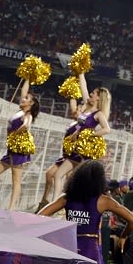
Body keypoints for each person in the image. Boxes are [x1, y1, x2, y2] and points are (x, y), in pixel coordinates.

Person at [39, 160, 133, 264]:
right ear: (100, 180)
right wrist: (124, 236)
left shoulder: (66, 198)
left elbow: (40, 215)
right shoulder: (104, 201)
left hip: (69, 247)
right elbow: (132, 220)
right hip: (90, 250)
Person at [37, 75, 113, 211]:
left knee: (83, 181)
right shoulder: (86, 107)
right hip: (75, 150)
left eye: (94, 93)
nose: (90, 94)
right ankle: (56, 206)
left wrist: (90, 134)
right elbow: (83, 87)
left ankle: (85, 206)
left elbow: (107, 129)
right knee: (58, 175)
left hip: (84, 152)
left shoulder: (98, 114)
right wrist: (81, 73)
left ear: (99, 98)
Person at [0, 78, 39, 210]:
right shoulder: (20, 111)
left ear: (31, 103)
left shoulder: (28, 115)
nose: (23, 99)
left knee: (15, 179)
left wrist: (20, 130)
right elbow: (23, 90)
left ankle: (11, 208)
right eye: (24, 97)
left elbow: (26, 124)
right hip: (11, 149)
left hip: (19, 151)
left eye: (26, 98)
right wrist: (27, 77)